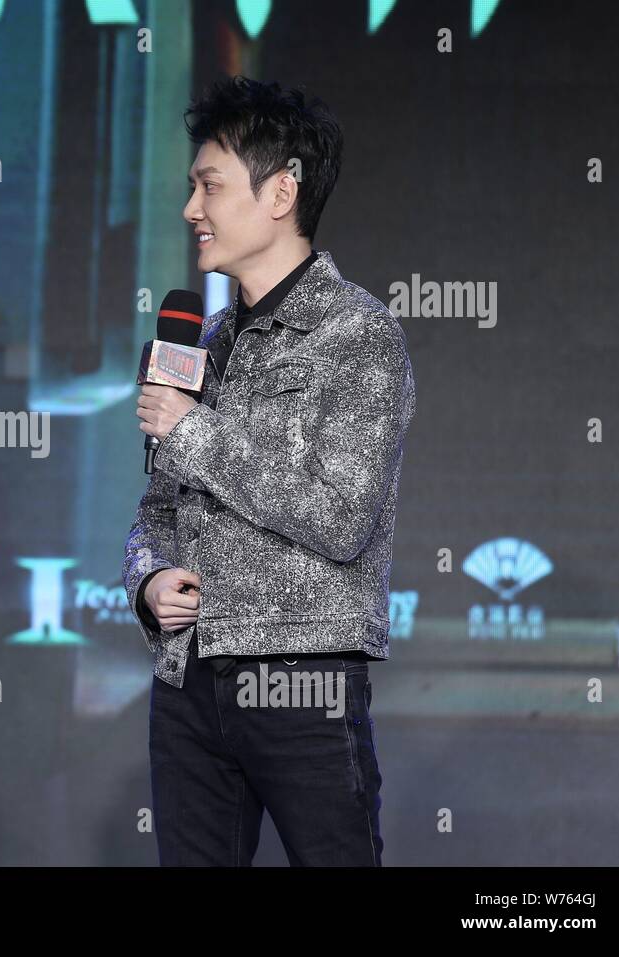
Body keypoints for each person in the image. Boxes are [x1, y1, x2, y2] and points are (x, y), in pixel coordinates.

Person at [124, 76, 415, 866]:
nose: (192, 209)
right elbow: (156, 508)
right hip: (187, 681)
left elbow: (341, 516)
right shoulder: (200, 341)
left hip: (302, 680)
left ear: (281, 189)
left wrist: (198, 431)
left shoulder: (357, 335)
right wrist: (148, 581)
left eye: (208, 185)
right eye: (192, 186)